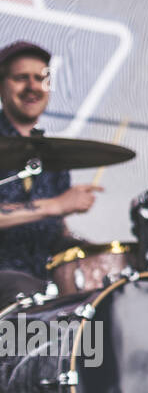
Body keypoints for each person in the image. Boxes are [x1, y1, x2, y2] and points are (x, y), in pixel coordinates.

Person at [0, 41, 100, 307]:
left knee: (99, 296)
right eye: (22, 78)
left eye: (41, 79)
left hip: (45, 281)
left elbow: (57, 228)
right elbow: (55, 208)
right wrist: (56, 205)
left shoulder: (55, 155)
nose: (33, 87)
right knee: (24, 288)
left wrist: (90, 254)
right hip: (10, 283)